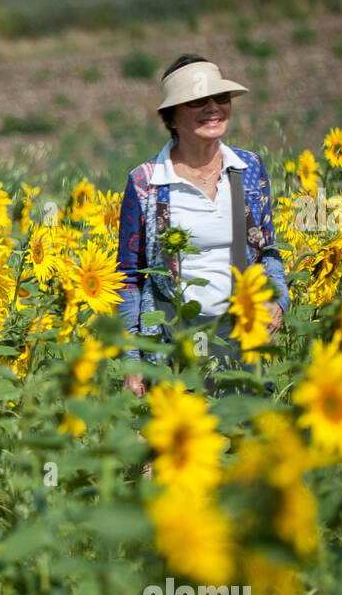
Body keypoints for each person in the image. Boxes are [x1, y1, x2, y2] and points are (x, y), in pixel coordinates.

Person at [116, 56, 290, 396]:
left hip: (243, 330)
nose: (213, 108)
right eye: (197, 101)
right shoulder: (146, 182)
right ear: (171, 117)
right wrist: (131, 360)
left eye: (220, 99)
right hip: (180, 332)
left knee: (248, 432)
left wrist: (278, 300)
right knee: (191, 424)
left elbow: (267, 248)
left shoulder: (248, 167)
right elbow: (128, 276)